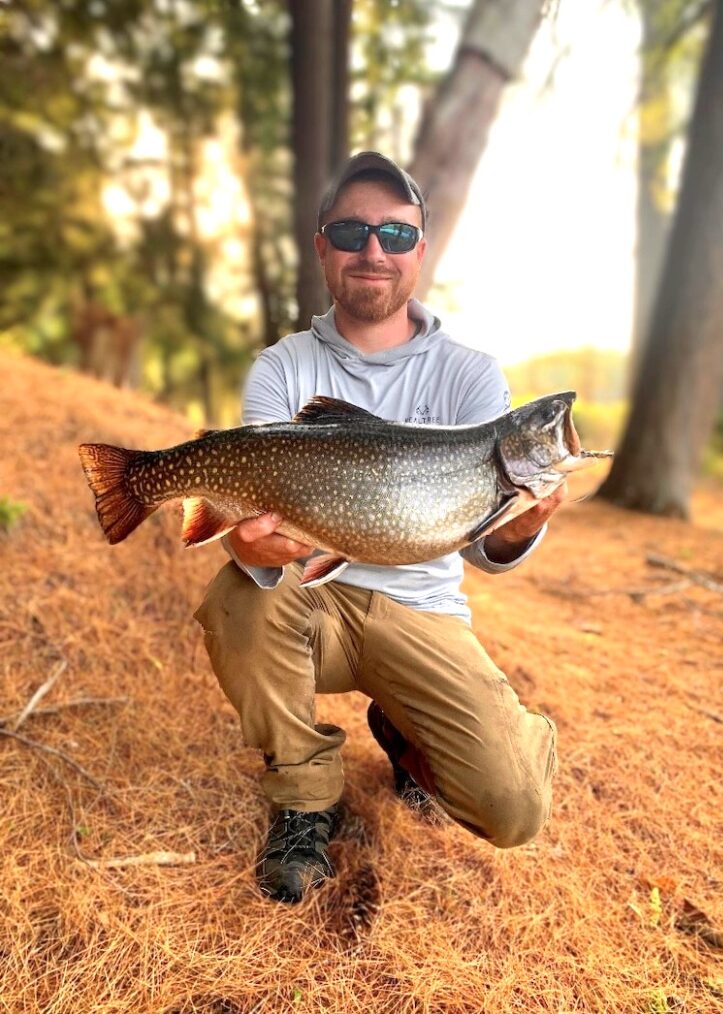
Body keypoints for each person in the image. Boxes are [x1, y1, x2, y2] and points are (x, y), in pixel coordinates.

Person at [194, 151, 564, 904]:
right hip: (309, 601)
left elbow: (490, 553)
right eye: (352, 231)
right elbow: (253, 518)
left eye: (395, 235)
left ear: (420, 254)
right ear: (322, 245)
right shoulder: (282, 367)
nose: (374, 251)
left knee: (516, 808)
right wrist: (243, 539)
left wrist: (525, 523)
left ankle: (406, 730)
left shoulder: (470, 375)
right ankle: (303, 801)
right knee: (240, 592)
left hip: (423, 613)